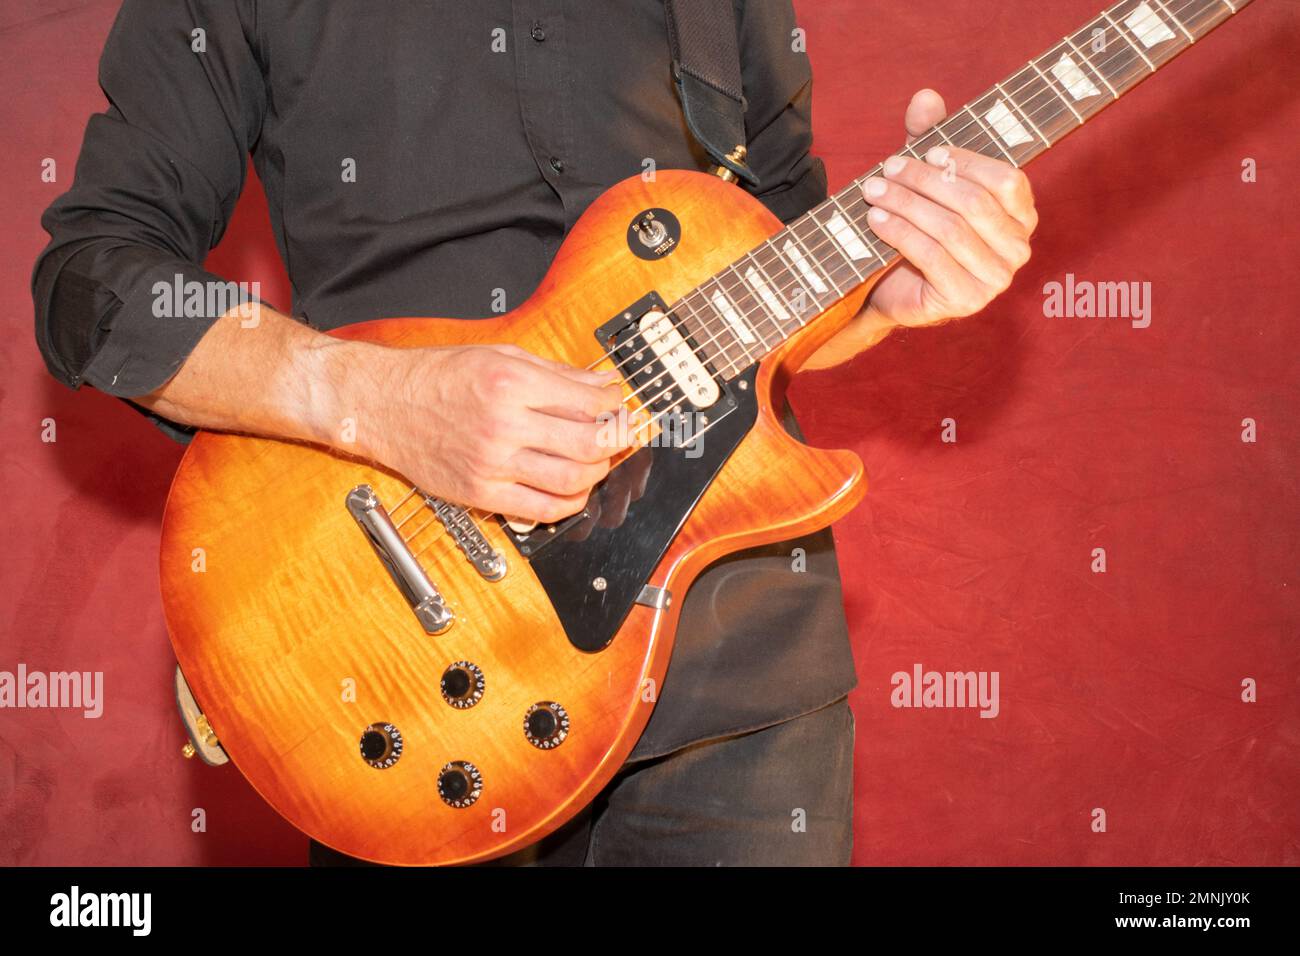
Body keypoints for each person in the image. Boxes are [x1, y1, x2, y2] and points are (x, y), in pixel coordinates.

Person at [32, 0, 1036, 866]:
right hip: (414, 678)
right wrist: (376, 400)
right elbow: (93, 279)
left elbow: (769, 282)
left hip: (742, 686)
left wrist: (884, 295)